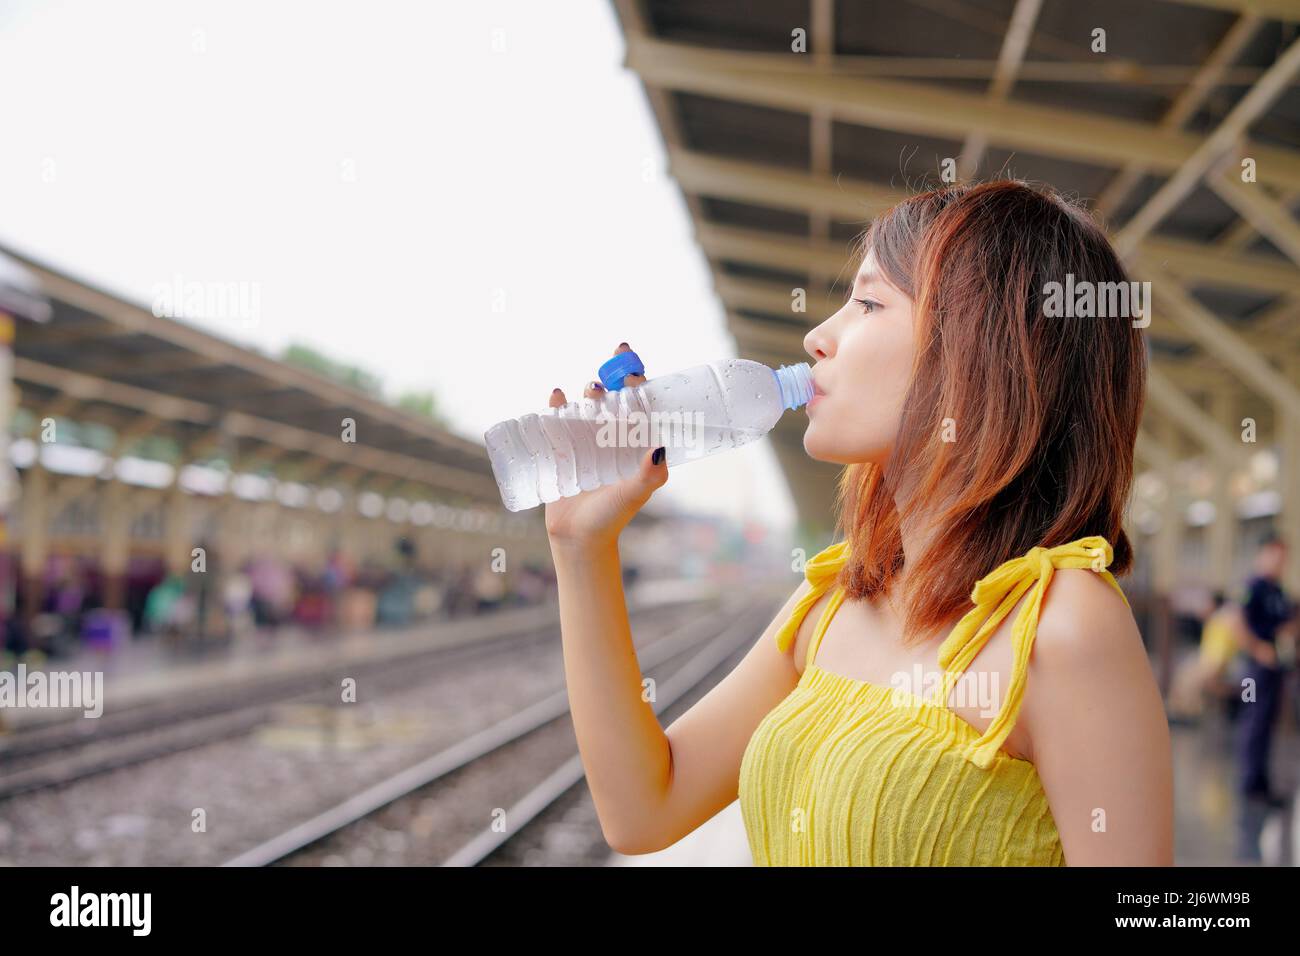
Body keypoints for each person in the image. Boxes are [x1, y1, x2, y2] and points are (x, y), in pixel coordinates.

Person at [543, 181, 1172, 865]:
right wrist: (582, 547)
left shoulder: (1061, 628)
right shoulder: (832, 604)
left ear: (981, 350)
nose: (818, 337)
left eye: (869, 302)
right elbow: (643, 808)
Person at [1231, 532, 1296, 807]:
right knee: (1253, 720)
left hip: (1274, 669)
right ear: (1263, 554)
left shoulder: (1278, 590)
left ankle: (1261, 780)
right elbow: (1234, 622)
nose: (1280, 561)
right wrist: (1258, 649)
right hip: (1254, 670)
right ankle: (1249, 781)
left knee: (1267, 722)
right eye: (1275, 555)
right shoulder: (1253, 586)